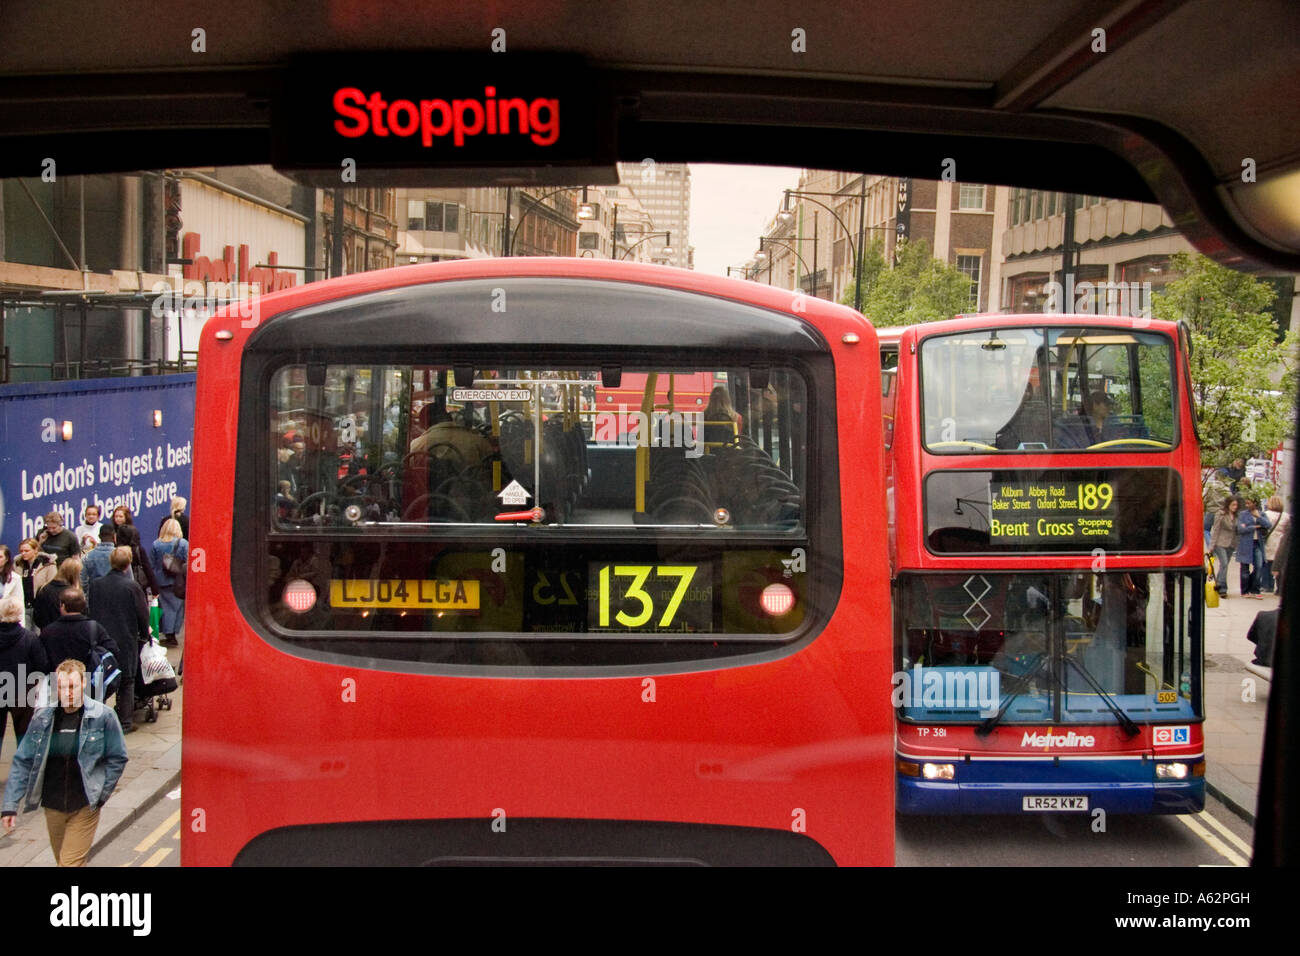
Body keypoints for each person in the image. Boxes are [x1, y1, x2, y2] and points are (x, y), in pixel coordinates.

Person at [1, 659, 129, 867]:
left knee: (68, 864)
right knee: (65, 860)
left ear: (84, 684)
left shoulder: (103, 716)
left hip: (85, 805)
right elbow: (23, 760)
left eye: (72, 686)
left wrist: (102, 794)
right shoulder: (43, 717)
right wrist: (9, 806)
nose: (67, 692)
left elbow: (118, 757)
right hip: (53, 805)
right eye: (61, 687)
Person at [89, 547, 151, 733]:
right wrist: (145, 633)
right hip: (126, 639)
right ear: (128, 564)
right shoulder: (132, 586)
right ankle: (124, 722)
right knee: (127, 681)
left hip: (102, 640)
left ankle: (96, 719)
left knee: (101, 679)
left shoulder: (96, 584)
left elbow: (91, 610)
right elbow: (143, 615)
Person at [0, 595, 47, 747]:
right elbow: (42, 665)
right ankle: (23, 767)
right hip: (23, 690)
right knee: (24, 736)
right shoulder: (30, 638)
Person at [40, 587, 115, 672]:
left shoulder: (48, 631)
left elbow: (41, 660)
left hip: (57, 679)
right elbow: (112, 649)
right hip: (88, 678)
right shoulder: (94, 628)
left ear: (62, 606)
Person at [151, 519, 188, 647]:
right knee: (176, 608)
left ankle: (168, 633)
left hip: (161, 581)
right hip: (178, 581)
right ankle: (172, 633)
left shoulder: (156, 544)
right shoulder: (183, 543)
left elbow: (153, 564)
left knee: (166, 608)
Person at [111, 506, 158, 598]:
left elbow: (146, 566)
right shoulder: (112, 532)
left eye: (120, 516)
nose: (117, 519)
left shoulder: (133, 536)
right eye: (116, 516)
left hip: (136, 579)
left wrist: (154, 588)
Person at [14, 539, 56, 628]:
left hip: (41, 607)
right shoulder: (18, 565)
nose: (23, 553)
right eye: (21, 551)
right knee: (26, 635)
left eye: (26, 551)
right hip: (24, 607)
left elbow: (53, 586)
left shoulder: (48, 564)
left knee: (39, 635)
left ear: (35, 550)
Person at [33, 556, 82, 630]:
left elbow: (37, 618)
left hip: (47, 633)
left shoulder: (43, 589)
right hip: (68, 633)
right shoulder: (74, 593)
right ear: (76, 574)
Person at [1236, 497, 1270, 599]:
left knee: (1259, 566)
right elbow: (1241, 529)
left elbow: (1268, 525)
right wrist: (1254, 527)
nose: (1247, 505)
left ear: (1255, 503)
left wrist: (1259, 517)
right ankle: (1245, 590)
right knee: (1245, 568)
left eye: (1249, 503)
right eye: (1246, 503)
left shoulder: (1261, 514)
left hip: (1257, 543)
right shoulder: (1243, 514)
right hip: (1245, 543)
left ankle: (1255, 588)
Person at [1208, 496, 1240, 599]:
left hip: (1231, 544)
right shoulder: (1220, 514)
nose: (1235, 507)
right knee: (1224, 563)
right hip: (1220, 542)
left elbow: (1237, 531)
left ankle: (1219, 584)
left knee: (1224, 566)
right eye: (1233, 505)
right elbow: (1216, 529)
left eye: (1236, 505)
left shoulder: (1237, 516)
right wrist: (1211, 545)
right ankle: (1222, 588)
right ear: (1228, 505)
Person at [79, 524, 117, 597]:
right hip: (116, 597)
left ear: (99, 536)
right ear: (114, 537)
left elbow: (83, 582)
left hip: (94, 597)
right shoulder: (120, 555)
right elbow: (129, 579)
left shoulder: (88, 557)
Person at [1262, 495, 1289, 594]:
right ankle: (1279, 587)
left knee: (1267, 564)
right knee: (1279, 565)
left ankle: (1267, 585)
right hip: (1280, 541)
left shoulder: (1266, 514)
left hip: (1269, 540)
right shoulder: (1285, 516)